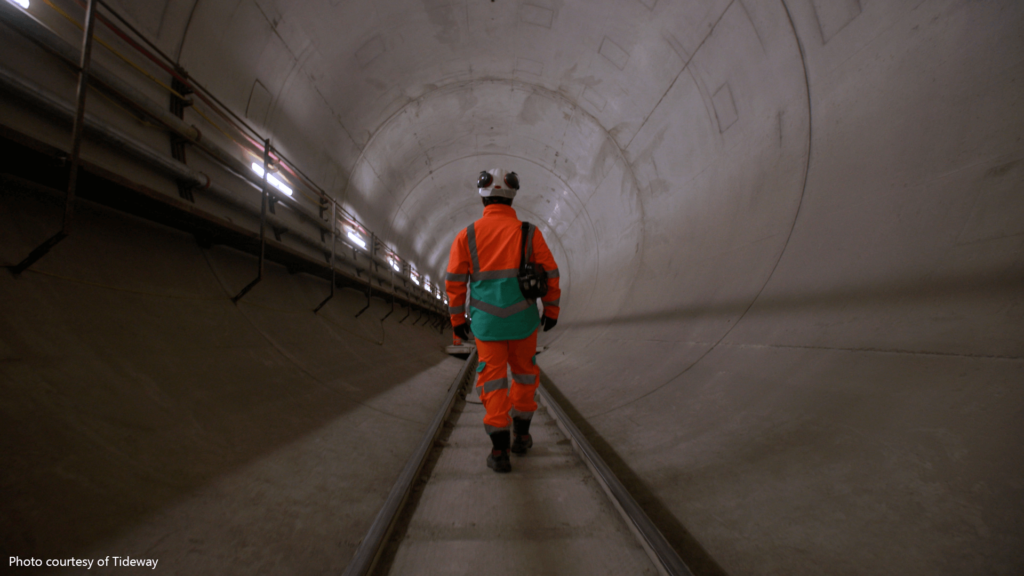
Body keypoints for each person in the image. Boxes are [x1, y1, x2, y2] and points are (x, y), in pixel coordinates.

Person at [445, 169, 561, 473]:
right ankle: (521, 436)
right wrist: (552, 310)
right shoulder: (530, 233)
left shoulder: (466, 235)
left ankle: (499, 451)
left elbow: (455, 282)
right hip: (523, 321)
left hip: (487, 326)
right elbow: (550, 274)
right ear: (512, 197)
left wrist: (458, 322)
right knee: (525, 374)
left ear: (483, 196)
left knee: (493, 380)